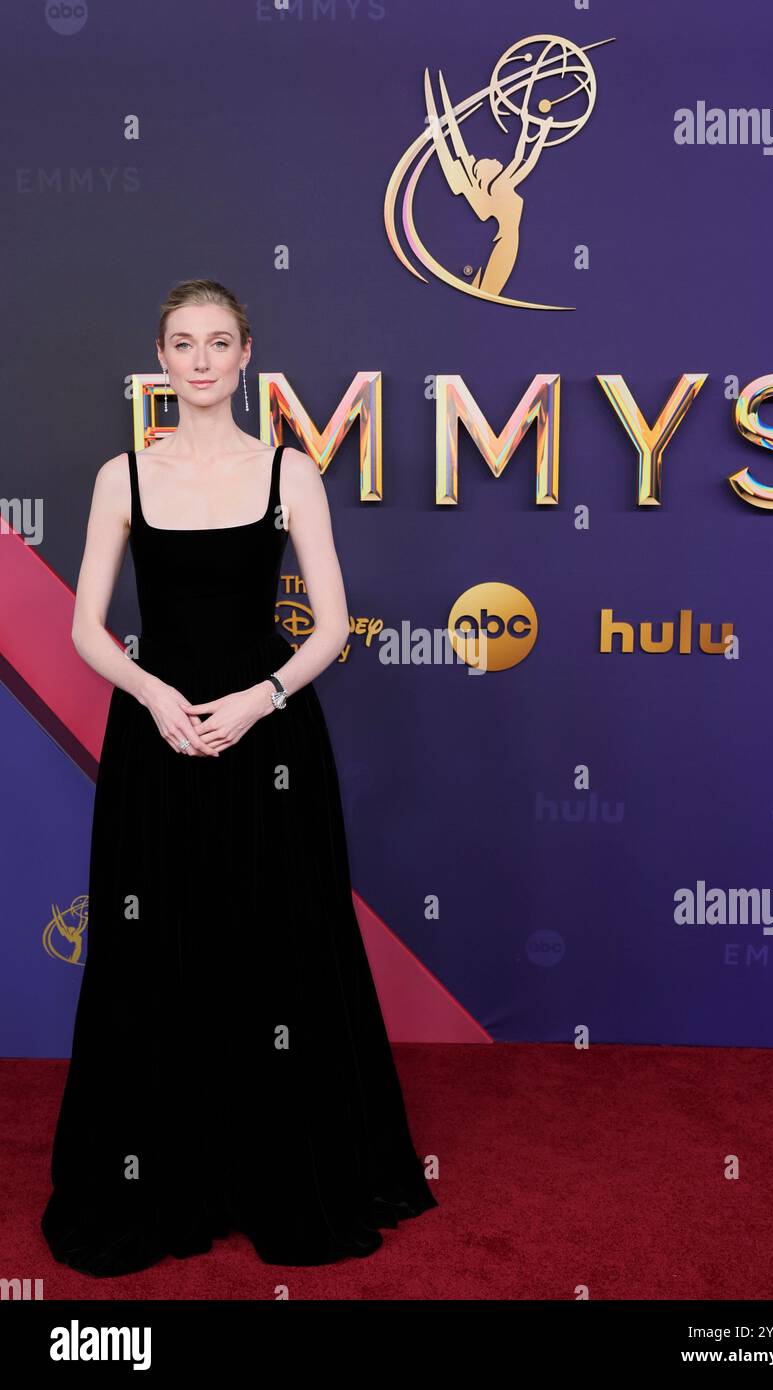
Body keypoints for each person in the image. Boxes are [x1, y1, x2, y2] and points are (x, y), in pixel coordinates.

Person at [40, 278, 438, 1277]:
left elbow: (334, 628)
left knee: (279, 951)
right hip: (158, 738)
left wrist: (261, 698)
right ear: (162, 359)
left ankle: (283, 1173)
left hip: (268, 741)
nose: (203, 358)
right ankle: (163, 1179)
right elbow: (85, 627)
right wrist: (152, 696)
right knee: (156, 950)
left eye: (220, 341)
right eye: (184, 342)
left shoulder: (288, 472)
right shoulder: (120, 477)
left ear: (246, 353)